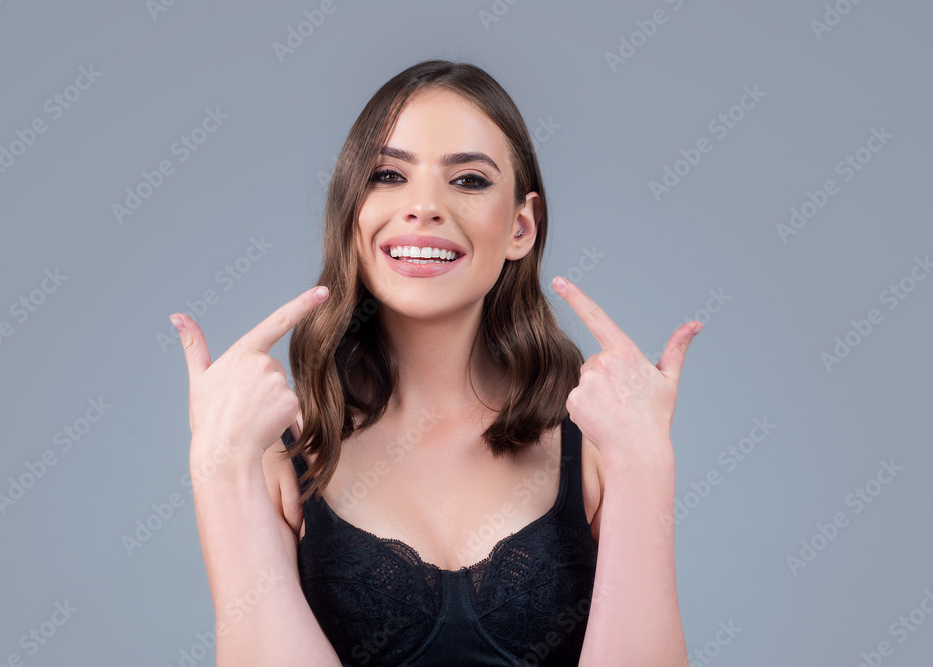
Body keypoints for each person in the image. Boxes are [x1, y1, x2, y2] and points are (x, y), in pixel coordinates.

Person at [171, 59, 698, 666]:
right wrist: (219, 469)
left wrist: (645, 461)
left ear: (520, 227)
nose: (423, 207)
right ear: (351, 214)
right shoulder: (275, 455)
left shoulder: (601, 446)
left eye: (468, 180)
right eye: (389, 175)